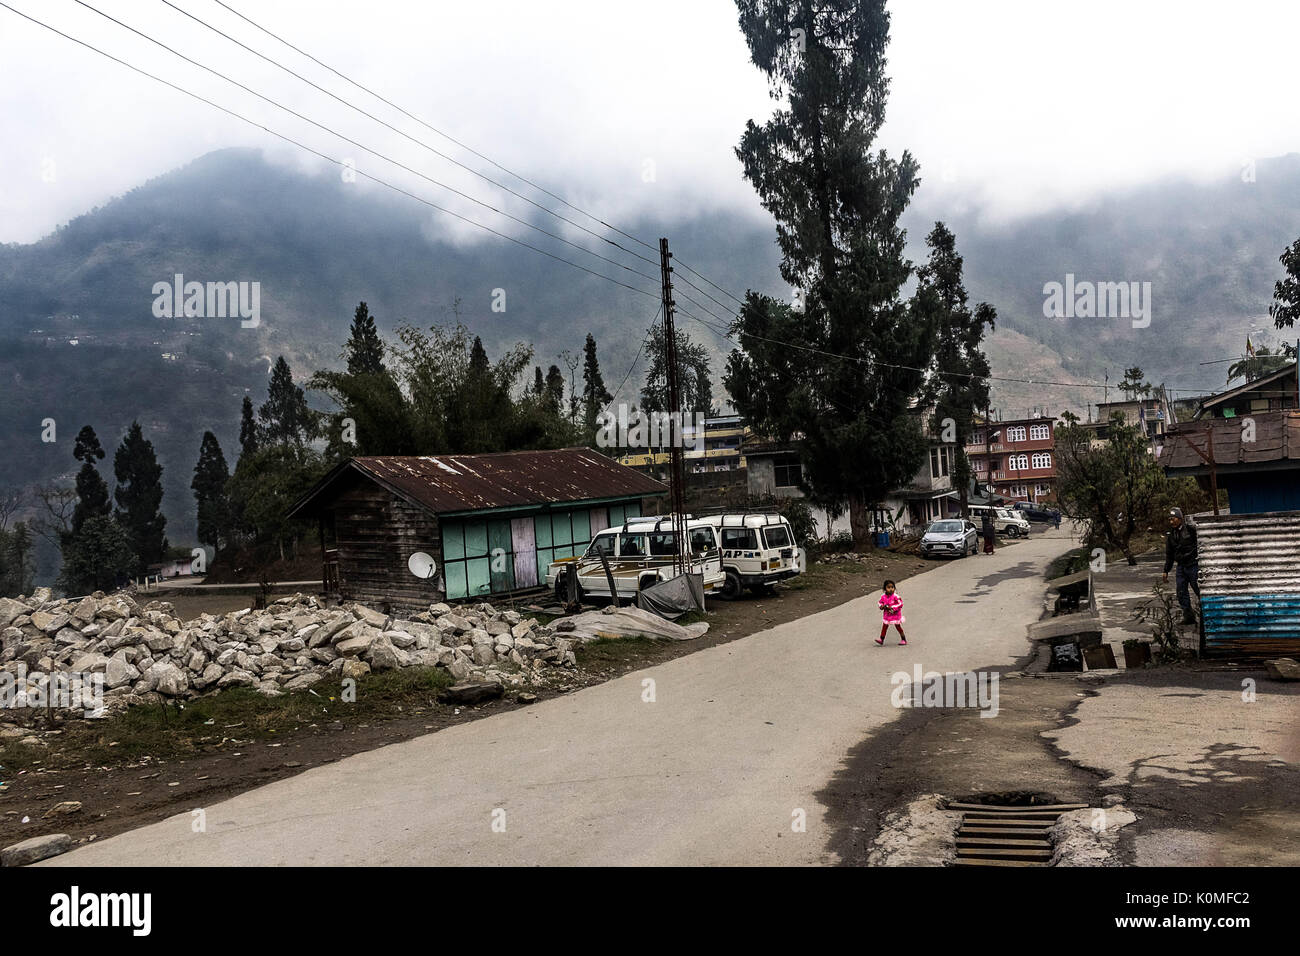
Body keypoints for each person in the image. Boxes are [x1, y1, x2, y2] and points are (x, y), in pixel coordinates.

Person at [1163, 507, 1200, 625]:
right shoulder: (1171, 536)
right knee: (1181, 591)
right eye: (1169, 519)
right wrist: (1166, 570)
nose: (1171, 521)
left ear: (1180, 518)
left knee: (1198, 589)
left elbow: (1200, 545)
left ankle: (1206, 613)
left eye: (1173, 519)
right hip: (1181, 567)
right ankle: (1188, 617)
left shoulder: (1190, 530)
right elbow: (1169, 554)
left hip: (1193, 565)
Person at [876, 579, 907, 646]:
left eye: (892, 587)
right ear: (885, 589)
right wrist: (881, 606)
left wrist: (892, 607)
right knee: (884, 626)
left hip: (895, 615)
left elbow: (900, 604)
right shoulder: (883, 596)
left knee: (898, 627)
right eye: (888, 587)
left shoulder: (896, 596)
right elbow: (879, 602)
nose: (891, 589)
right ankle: (881, 639)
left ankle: (903, 639)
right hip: (887, 615)